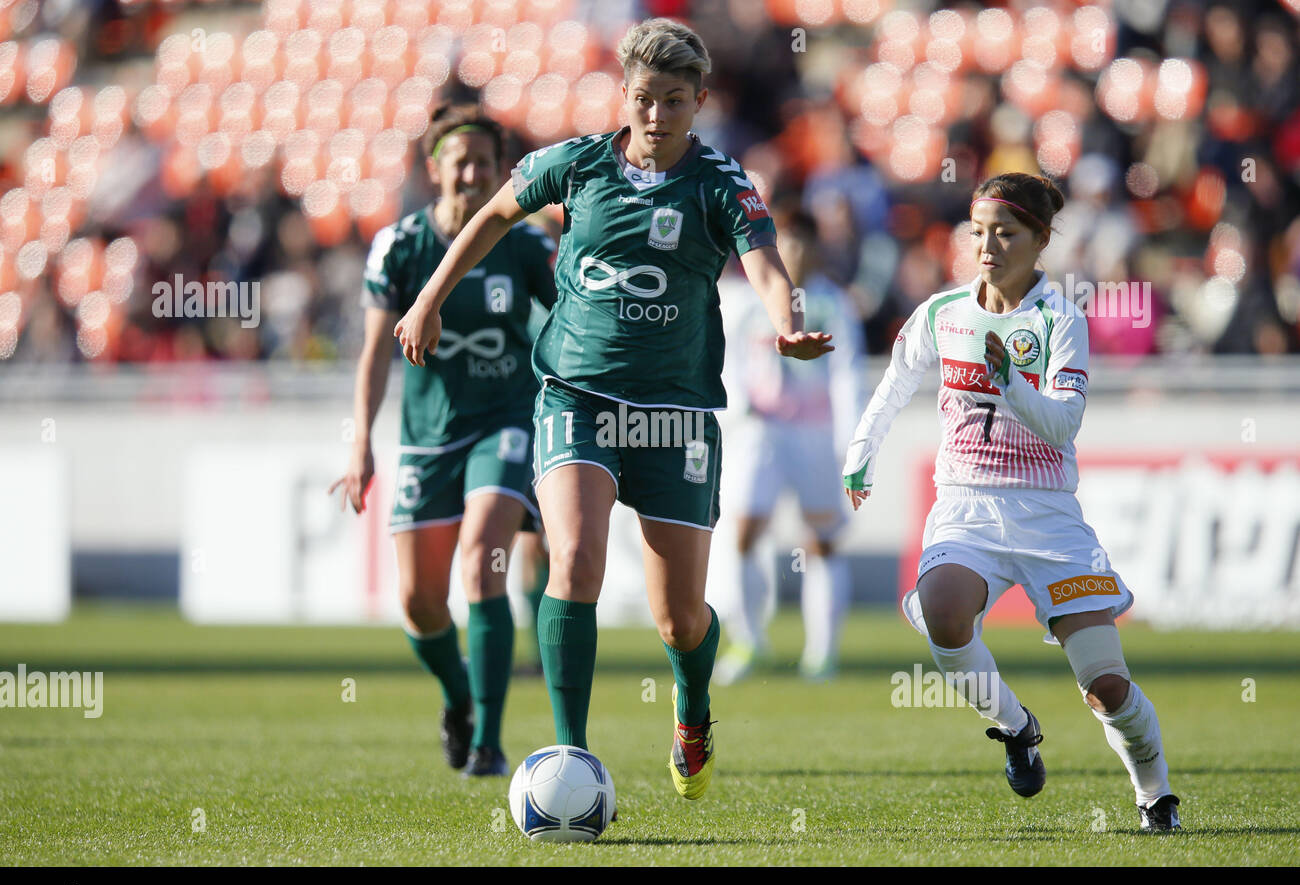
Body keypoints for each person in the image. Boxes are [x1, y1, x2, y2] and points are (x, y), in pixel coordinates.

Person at [395, 18, 832, 801]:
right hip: (576, 396)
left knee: (681, 621)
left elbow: (762, 263)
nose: (657, 116)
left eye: (673, 100)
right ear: (624, 97)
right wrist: (429, 296)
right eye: (643, 99)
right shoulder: (578, 164)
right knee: (574, 562)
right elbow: (493, 214)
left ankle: (692, 705)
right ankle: (571, 758)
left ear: (699, 101)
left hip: (675, 414)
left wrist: (785, 321)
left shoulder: (720, 181)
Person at [842, 172, 1181, 831]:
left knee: (1105, 685)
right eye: (979, 230)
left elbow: (1062, 425)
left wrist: (1009, 386)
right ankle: (1016, 727)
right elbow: (894, 384)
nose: (989, 244)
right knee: (943, 611)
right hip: (966, 506)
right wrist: (862, 450)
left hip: (1048, 516)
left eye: (1006, 232)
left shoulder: (1060, 320)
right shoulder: (942, 313)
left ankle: (1155, 792)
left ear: (1041, 239)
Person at [331, 104, 556, 777]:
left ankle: (488, 741)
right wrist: (360, 443)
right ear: (435, 169)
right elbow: (375, 353)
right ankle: (459, 697)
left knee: (483, 556)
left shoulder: (524, 245)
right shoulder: (399, 247)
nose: (471, 172)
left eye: (484, 163)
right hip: (427, 437)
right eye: (459, 161)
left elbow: (570, 317)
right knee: (419, 604)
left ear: (498, 173)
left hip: (505, 425)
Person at [715, 206, 865, 683]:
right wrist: (737, 411)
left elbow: (848, 372)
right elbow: (728, 362)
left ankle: (822, 651)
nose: (795, 253)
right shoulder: (747, 301)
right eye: (787, 244)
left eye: (803, 243)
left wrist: (851, 439)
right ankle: (749, 640)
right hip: (760, 432)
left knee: (820, 539)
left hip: (814, 434)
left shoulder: (833, 303)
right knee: (743, 532)